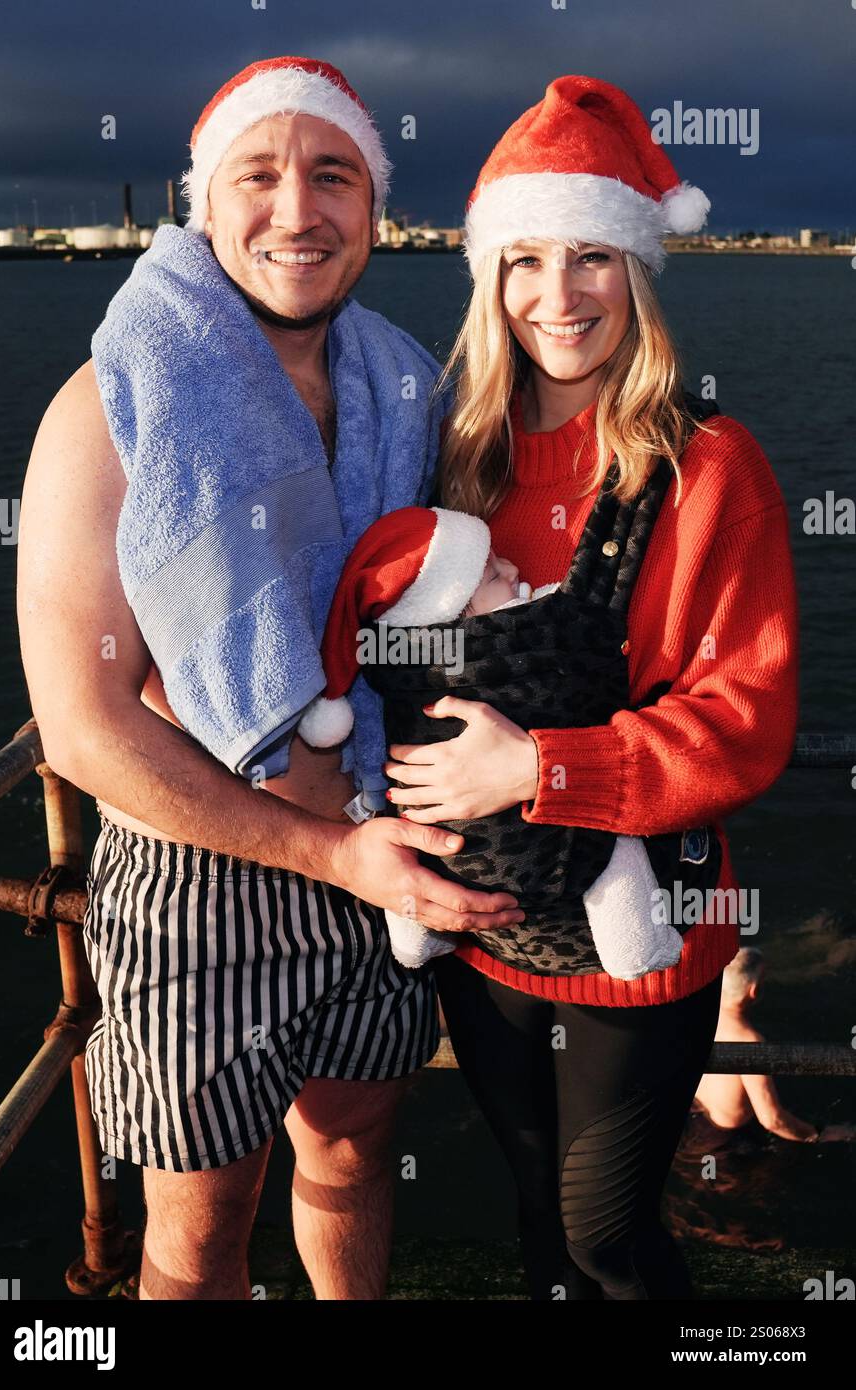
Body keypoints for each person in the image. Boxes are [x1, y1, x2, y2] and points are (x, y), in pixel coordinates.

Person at [16, 56, 522, 1302]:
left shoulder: (409, 391)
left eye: (333, 174)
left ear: (373, 206)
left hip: (380, 840)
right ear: (202, 200)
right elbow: (80, 726)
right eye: (259, 174)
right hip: (204, 877)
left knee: (350, 1156)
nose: (297, 210)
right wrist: (325, 856)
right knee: (197, 1237)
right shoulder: (110, 410)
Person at [383, 74, 800, 1300]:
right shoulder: (457, 450)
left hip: (641, 941)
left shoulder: (706, 463)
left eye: (589, 259)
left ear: (636, 271)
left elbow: (746, 720)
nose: (554, 296)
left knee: (605, 1240)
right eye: (522, 260)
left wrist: (539, 767)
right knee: (534, 1224)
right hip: (484, 922)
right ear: (487, 277)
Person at [297, 504, 688, 981]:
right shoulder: (530, 628)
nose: (512, 568)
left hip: (456, 875)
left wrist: (534, 768)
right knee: (612, 842)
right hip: (559, 846)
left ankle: (413, 936)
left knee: (420, 830)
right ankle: (634, 946)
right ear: (456, 609)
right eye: (490, 572)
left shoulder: (400, 671)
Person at [693, 948, 817, 1142]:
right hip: (725, 1143)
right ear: (754, 990)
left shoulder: (697, 1014)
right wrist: (817, 1134)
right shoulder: (749, 1041)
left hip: (693, 1122)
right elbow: (772, 1120)